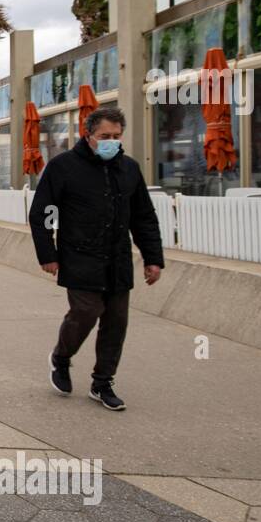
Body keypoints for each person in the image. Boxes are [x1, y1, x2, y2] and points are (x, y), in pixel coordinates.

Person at [27, 106, 164, 412]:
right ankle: (61, 358)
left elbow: (144, 217)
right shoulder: (63, 166)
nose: (111, 141)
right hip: (79, 256)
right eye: (105, 136)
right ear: (88, 135)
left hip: (118, 259)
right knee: (86, 312)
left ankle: (102, 382)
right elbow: (42, 214)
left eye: (116, 136)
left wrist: (153, 258)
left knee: (116, 321)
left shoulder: (128, 169)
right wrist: (47, 254)